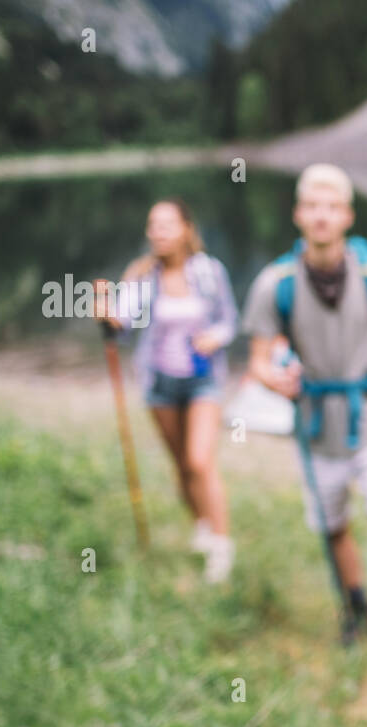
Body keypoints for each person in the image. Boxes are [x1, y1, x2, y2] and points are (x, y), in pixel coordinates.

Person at [243, 164, 367, 666]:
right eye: (312, 207)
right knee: (333, 527)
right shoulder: (275, 284)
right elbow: (259, 360)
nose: (322, 216)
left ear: (347, 215)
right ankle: (356, 606)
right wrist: (273, 379)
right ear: (298, 216)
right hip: (315, 427)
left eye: (331, 207)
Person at [101, 198, 238, 583]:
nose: (157, 232)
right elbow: (121, 325)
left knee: (199, 461)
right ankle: (202, 525)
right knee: (181, 465)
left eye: (166, 224)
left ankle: (222, 546)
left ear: (186, 230)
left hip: (203, 380)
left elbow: (230, 321)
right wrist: (105, 314)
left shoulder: (210, 273)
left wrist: (215, 337)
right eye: (152, 225)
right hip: (159, 383)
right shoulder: (142, 276)